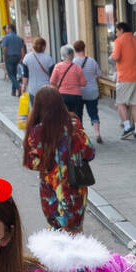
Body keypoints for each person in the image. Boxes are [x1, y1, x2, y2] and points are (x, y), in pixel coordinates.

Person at [22, 87, 94, 233]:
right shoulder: (73, 124)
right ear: (60, 103)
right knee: (75, 232)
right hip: (75, 187)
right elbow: (89, 153)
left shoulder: (36, 132)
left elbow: (31, 163)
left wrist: (51, 162)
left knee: (56, 233)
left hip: (51, 190)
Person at [111, 21, 136, 140]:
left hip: (125, 77)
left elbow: (116, 57)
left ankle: (128, 127)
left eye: (117, 31)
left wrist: (111, 58)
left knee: (120, 103)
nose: (116, 34)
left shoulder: (119, 41)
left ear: (121, 30)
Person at [73, 40, 103, 143]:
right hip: (92, 91)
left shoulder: (74, 63)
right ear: (84, 48)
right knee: (93, 113)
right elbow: (99, 74)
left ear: (75, 50)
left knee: (78, 114)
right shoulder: (92, 61)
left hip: (79, 92)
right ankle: (97, 133)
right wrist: (92, 77)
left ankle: (81, 136)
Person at [49, 44, 87, 120]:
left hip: (62, 95)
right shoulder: (77, 68)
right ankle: (76, 131)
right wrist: (75, 83)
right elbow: (84, 83)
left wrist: (58, 87)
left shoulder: (58, 66)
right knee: (77, 117)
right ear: (72, 55)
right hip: (76, 96)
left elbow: (52, 81)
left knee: (64, 117)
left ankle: (67, 131)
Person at [1, 23, 25, 98]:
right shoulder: (18, 38)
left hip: (9, 57)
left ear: (10, 29)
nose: (6, 30)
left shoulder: (6, 37)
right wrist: (22, 58)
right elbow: (22, 49)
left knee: (11, 75)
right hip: (17, 57)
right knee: (14, 74)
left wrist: (4, 57)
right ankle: (13, 92)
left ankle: (18, 87)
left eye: (7, 28)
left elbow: (4, 48)